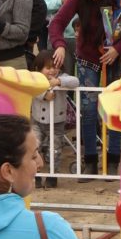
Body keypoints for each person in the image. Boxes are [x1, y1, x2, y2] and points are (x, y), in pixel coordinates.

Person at [49, 0, 121, 175]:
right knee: (88, 109)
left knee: (114, 108)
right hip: (87, 58)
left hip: (114, 58)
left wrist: (118, 48)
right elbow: (56, 23)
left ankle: (113, 159)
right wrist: (59, 45)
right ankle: (89, 159)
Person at [30, 50, 80, 187]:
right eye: (47, 68)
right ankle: (37, 174)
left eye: (55, 67)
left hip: (57, 122)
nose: (52, 71)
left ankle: (53, 175)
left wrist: (58, 81)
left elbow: (75, 81)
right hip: (36, 122)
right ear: (39, 68)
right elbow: (31, 88)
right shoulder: (35, 78)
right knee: (35, 146)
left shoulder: (61, 78)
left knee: (55, 149)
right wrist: (44, 94)